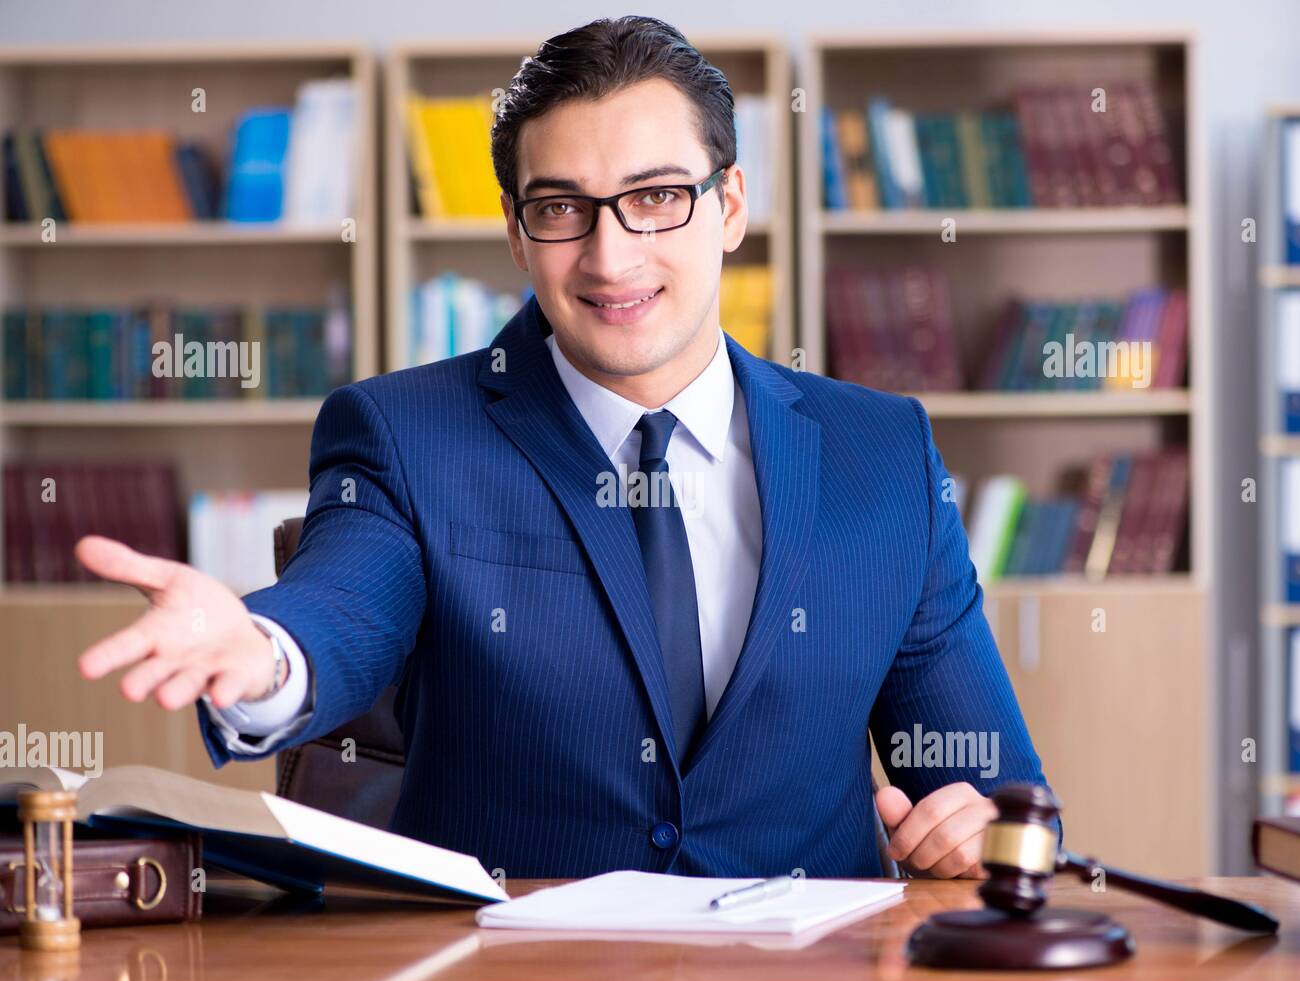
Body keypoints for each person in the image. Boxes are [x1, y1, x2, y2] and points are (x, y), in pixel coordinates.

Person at [76, 15, 1060, 879]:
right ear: (515, 232)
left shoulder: (879, 452)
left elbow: (1000, 792)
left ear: (728, 206)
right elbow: (347, 601)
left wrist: (983, 831)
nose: (609, 253)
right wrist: (261, 652)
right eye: (560, 209)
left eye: (655, 196)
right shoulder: (406, 435)